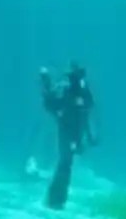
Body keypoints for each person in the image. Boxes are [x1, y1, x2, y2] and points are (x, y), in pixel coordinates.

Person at [39, 61, 98, 210]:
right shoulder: (66, 89)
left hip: (73, 131)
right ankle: (56, 199)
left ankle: (57, 198)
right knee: (65, 162)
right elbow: (52, 104)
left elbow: (86, 115)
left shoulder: (82, 92)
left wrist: (88, 136)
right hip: (67, 130)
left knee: (66, 163)